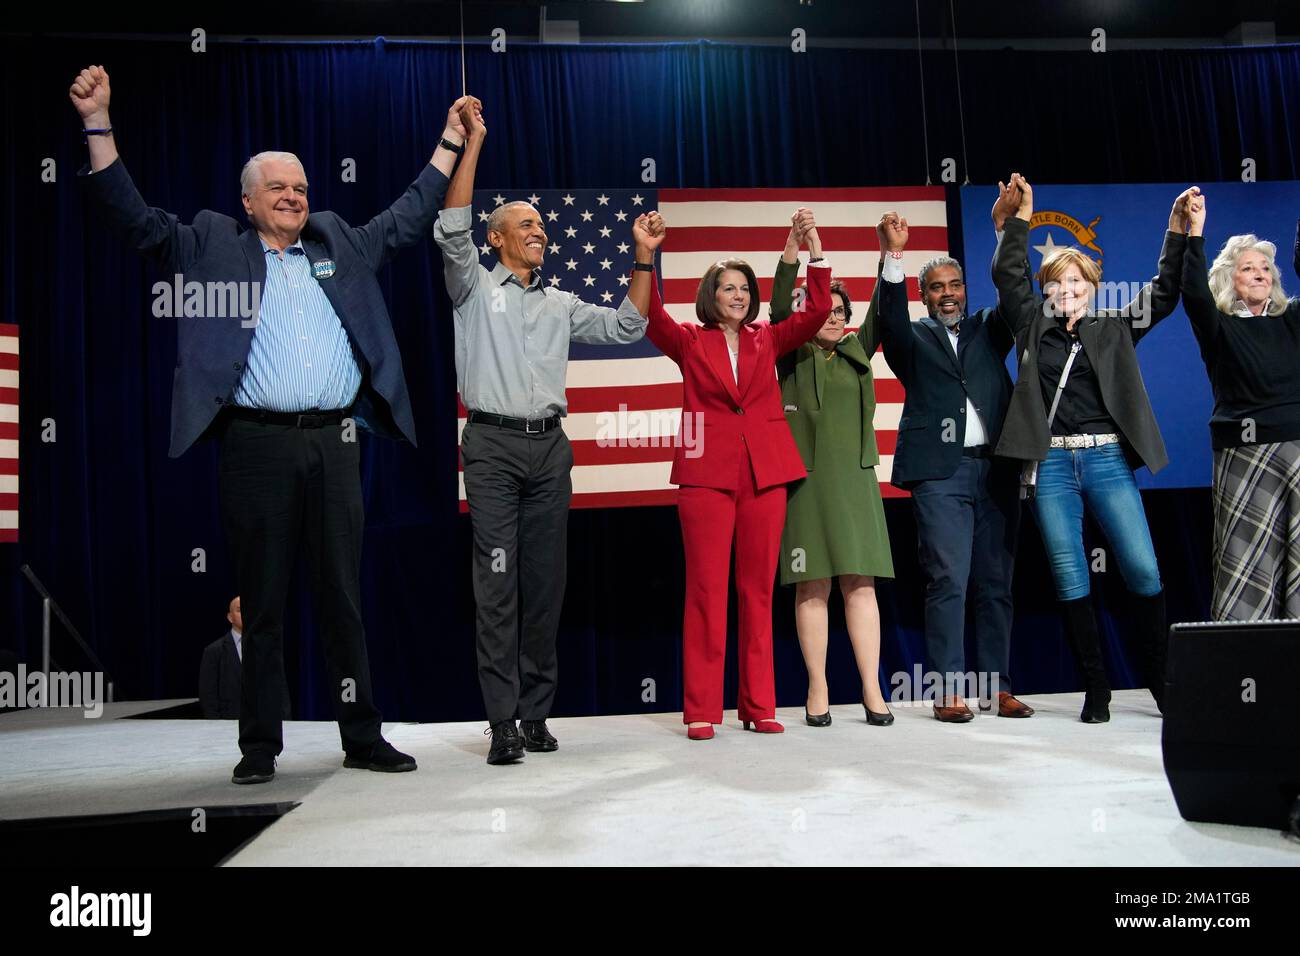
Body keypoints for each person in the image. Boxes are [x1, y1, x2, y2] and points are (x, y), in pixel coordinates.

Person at [70, 64, 469, 783]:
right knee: (264, 603)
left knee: (344, 597)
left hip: (336, 442)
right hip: (254, 445)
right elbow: (134, 219)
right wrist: (99, 124)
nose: (294, 197)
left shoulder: (337, 242)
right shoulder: (211, 243)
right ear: (248, 201)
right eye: (278, 189)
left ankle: (362, 735)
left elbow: (410, 216)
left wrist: (448, 138)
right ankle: (260, 747)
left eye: (302, 188)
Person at [434, 101, 653, 765]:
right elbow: (450, 227)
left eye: (542, 226)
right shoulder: (472, 285)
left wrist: (641, 257)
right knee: (497, 585)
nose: (541, 232)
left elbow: (627, 327)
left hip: (550, 449)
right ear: (496, 238)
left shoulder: (559, 303)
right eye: (526, 224)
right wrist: (472, 143)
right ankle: (501, 723)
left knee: (546, 582)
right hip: (494, 447)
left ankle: (535, 714)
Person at [993, 173, 1195, 723]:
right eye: (1058, 282)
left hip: (1106, 458)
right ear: (1047, 288)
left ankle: (1158, 681)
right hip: (1051, 462)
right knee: (1068, 572)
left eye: (1078, 281)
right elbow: (1008, 276)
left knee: (1143, 569)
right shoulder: (1032, 324)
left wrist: (1177, 233)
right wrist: (1020, 218)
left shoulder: (1114, 326)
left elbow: (1165, 291)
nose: (1069, 291)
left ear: (1093, 284)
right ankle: (1097, 690)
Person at [641, 213, 833, 740]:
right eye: (728, 287)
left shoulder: (767, 339)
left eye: (745, 288)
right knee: (706, 591)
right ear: (710, 294)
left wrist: (813, 250)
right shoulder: (688, 341)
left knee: (757, 592)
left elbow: (816, 311)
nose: (739, 295)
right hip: (706, 478)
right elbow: (648, 312)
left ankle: (759, 705)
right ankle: (703, 708)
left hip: (764, 476)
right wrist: (646, 254)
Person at [875, 190, 1034, 722]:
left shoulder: (991, 328)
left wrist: (1005, 230)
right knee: (949, 579)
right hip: (940, 476)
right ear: (923, 295)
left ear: (965, 290)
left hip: (995, 469)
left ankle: (997, 687)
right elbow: (889, 324)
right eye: (936, 287)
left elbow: (1017, 296)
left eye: (954, 284)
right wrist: (892, 257)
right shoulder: (912, 338)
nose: (947, 293)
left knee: (996, 582)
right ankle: (947, 690)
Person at [768, 209, 895, 727]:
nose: (837, 316)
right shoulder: (789, 354)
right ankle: (817, 688)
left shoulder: (858, 350)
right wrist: (798, 247)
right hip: (805, 485)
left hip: (856, 483)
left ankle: (871, 689)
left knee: (860, 585)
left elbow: (887, 308)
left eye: (843, 310)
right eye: (828, 309)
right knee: (811, 585)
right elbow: (779, 308)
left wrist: (890, 251)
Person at [1181, 195, 1300, 620]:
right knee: (1246, 563)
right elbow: (1191, 289)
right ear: (1230, 279)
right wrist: (1194, 231)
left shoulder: (1293, 317)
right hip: (1244, 454)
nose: (1260, 274)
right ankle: (1245, 665)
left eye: (1266, 268)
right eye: (1248, 267)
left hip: (1298, 450)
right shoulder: (1218, 324)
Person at [199, 596, 291, 719]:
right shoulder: (214, 651)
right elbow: (208, 696)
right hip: (228, 724)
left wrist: (285, 719)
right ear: (230, 617)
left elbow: (280, 688)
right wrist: (215, 726)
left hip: (265, 723)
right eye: (239, 610)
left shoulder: (267, 648)